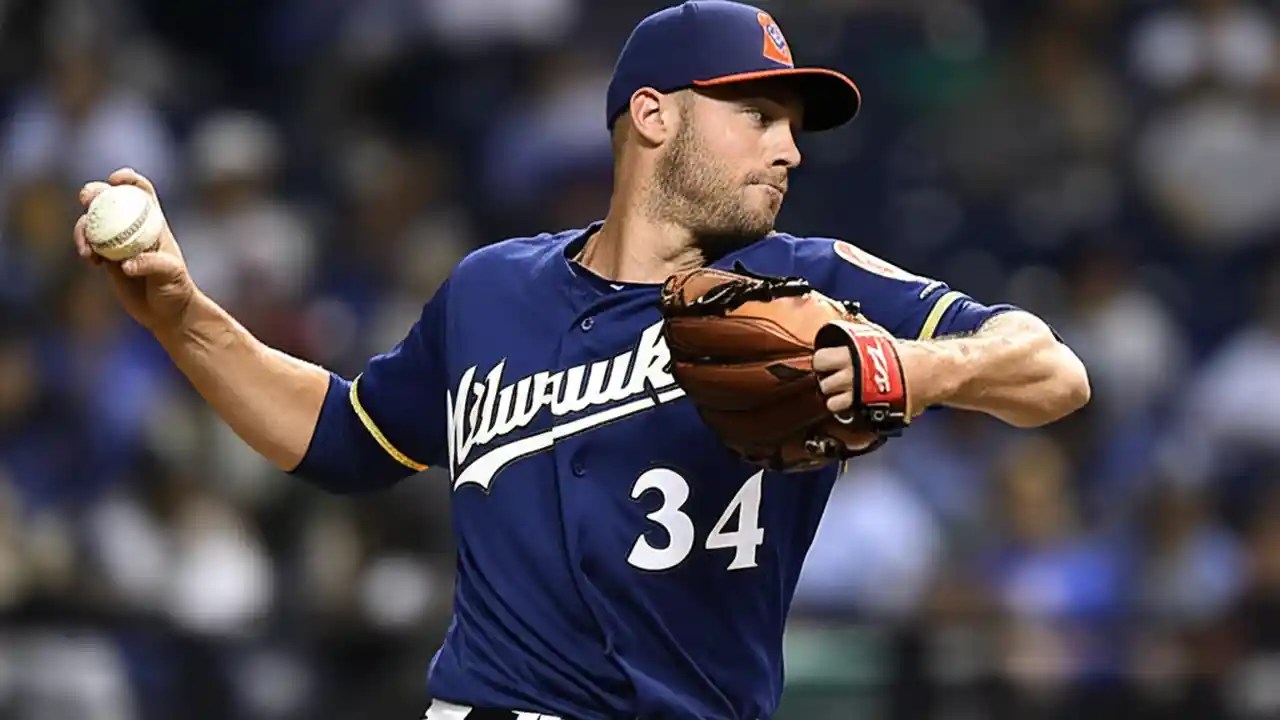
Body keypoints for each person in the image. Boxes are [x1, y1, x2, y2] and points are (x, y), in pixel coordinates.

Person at [72, 2, 1090, 718]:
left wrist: (918, 369)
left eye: (793, 127)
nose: (789, 148)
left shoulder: (806, 285)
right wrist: (182, 317)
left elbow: (1052, 371)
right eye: (758, 117)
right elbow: (346, 437)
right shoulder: (490, 290)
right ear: (653, 115)